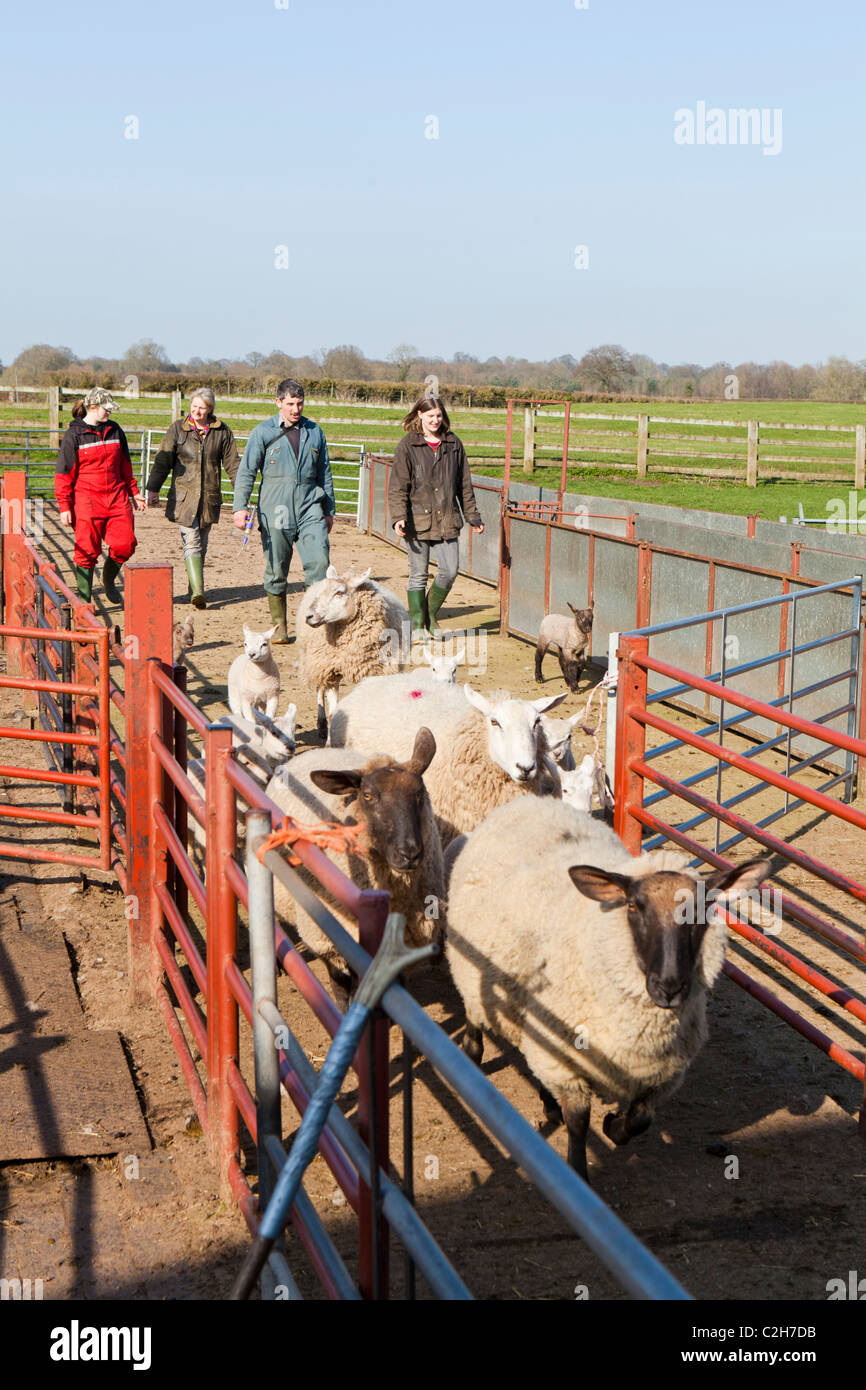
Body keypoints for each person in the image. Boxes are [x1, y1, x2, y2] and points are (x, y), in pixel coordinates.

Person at [232, 378, 335, 642]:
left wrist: (329, 509)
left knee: (320, 563)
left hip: (310, 505)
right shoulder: (263, 433)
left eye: (299, 403)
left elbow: (325, 472)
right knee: (277, 569)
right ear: (278, 402)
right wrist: (239, 508)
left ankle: (310, 626)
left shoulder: (315, 432)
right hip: (275, 508)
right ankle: (280, 628)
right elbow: (246, 472)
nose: (295, 409)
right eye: (290, 403)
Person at [387, 394, 484, 637]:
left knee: (450, 571)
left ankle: (430, 614)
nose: (436, 420)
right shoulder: (408, 445)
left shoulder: (453, 444)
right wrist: (399, 516)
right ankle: (418, 625)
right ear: (419, 415)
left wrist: (473, 516)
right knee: (418, 574)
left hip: (447, 518)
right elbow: (398, 486)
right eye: (430, 416)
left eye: (439, 415)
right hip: (416, 519)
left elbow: (464, 484)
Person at [145, 387, 240, 609]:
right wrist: (153, 488)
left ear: (210, 409)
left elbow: (233, 464)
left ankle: (192, 589)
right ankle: (199, 591)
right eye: (194, 407)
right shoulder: (178, 429)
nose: (197, 411)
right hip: (184, 497)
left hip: (209, 498)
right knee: (192, 541)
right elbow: (162, 461)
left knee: (202, 545)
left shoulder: (221, 432)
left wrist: (241, 493)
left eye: (202, 408)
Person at [55, 387, 146, 603]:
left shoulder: (115, 430)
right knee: (86, 550)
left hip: (116, 497)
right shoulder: (74, 435)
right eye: (106, 409)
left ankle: (109, 580)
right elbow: (63, 473)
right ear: (93, 408)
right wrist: (64, 506)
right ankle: (85, 601)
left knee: (126, 543)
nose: (109, 413)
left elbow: (125, 465)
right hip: (86, 500)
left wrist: (134, 492)